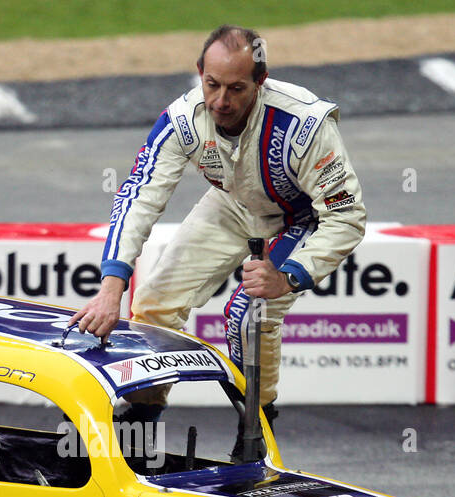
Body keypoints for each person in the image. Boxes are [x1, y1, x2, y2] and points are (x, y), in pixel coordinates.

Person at [68, 24, 366, 435]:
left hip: (301, 219)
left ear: (260, 81)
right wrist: (111, 284)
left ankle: (257, 432)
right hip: (233, 204)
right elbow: (140, 195)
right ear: (199, 73)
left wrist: (289, 277)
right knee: (153, 302)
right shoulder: (183, 119)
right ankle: (141, 426)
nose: (221, 101)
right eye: (212, 85)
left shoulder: (305, 124)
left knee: (248, 314)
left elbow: (346, 216)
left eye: (236, 88)